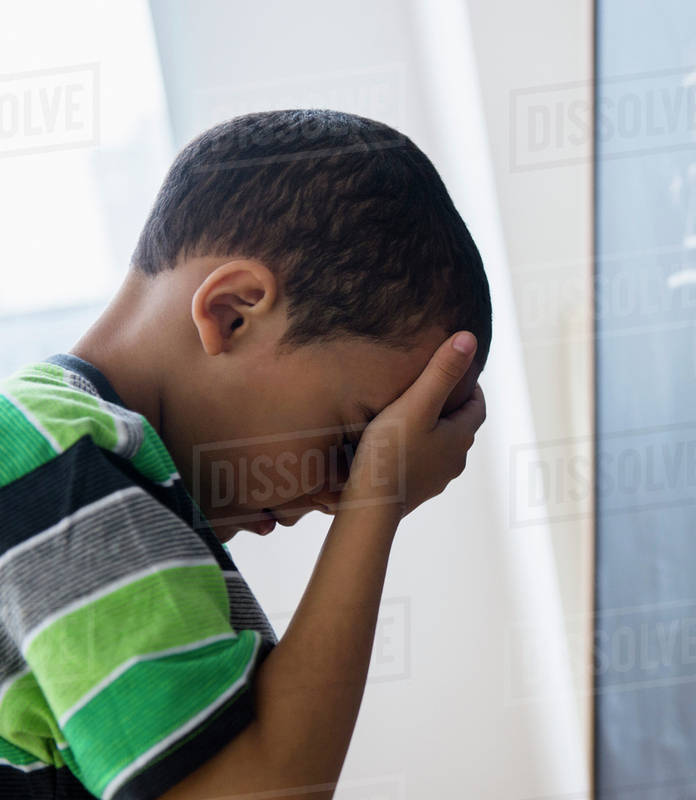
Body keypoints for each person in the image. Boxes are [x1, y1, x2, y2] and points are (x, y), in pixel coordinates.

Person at [0, 109, 490, 800]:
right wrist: (380, 495)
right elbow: (259, 788)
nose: (336, 500)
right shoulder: (61, 460)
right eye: (354, 442)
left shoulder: (90, 473)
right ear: (231, 312)